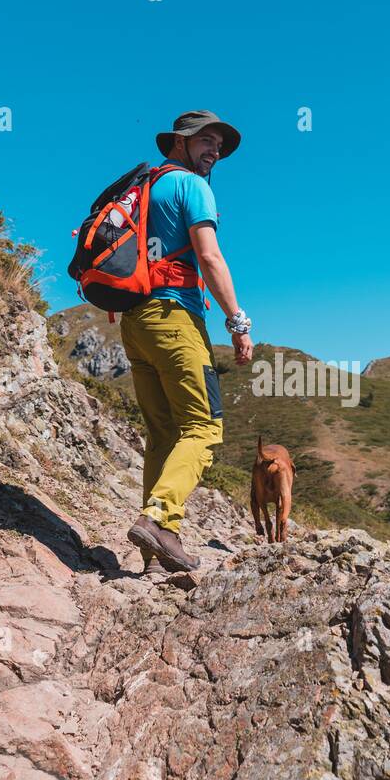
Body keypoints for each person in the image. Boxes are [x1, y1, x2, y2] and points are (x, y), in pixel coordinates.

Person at [123, 110, 254, 574]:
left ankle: (155, 553)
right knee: (203, 428)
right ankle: (159, 519)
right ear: (179, 142)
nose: (214, 150)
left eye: (219, 144)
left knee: (163, 434)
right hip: (175, 317)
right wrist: (238, 322)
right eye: (205, 140)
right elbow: (209, 256)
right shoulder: (192, 187)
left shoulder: (143, 187)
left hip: (135, 323)